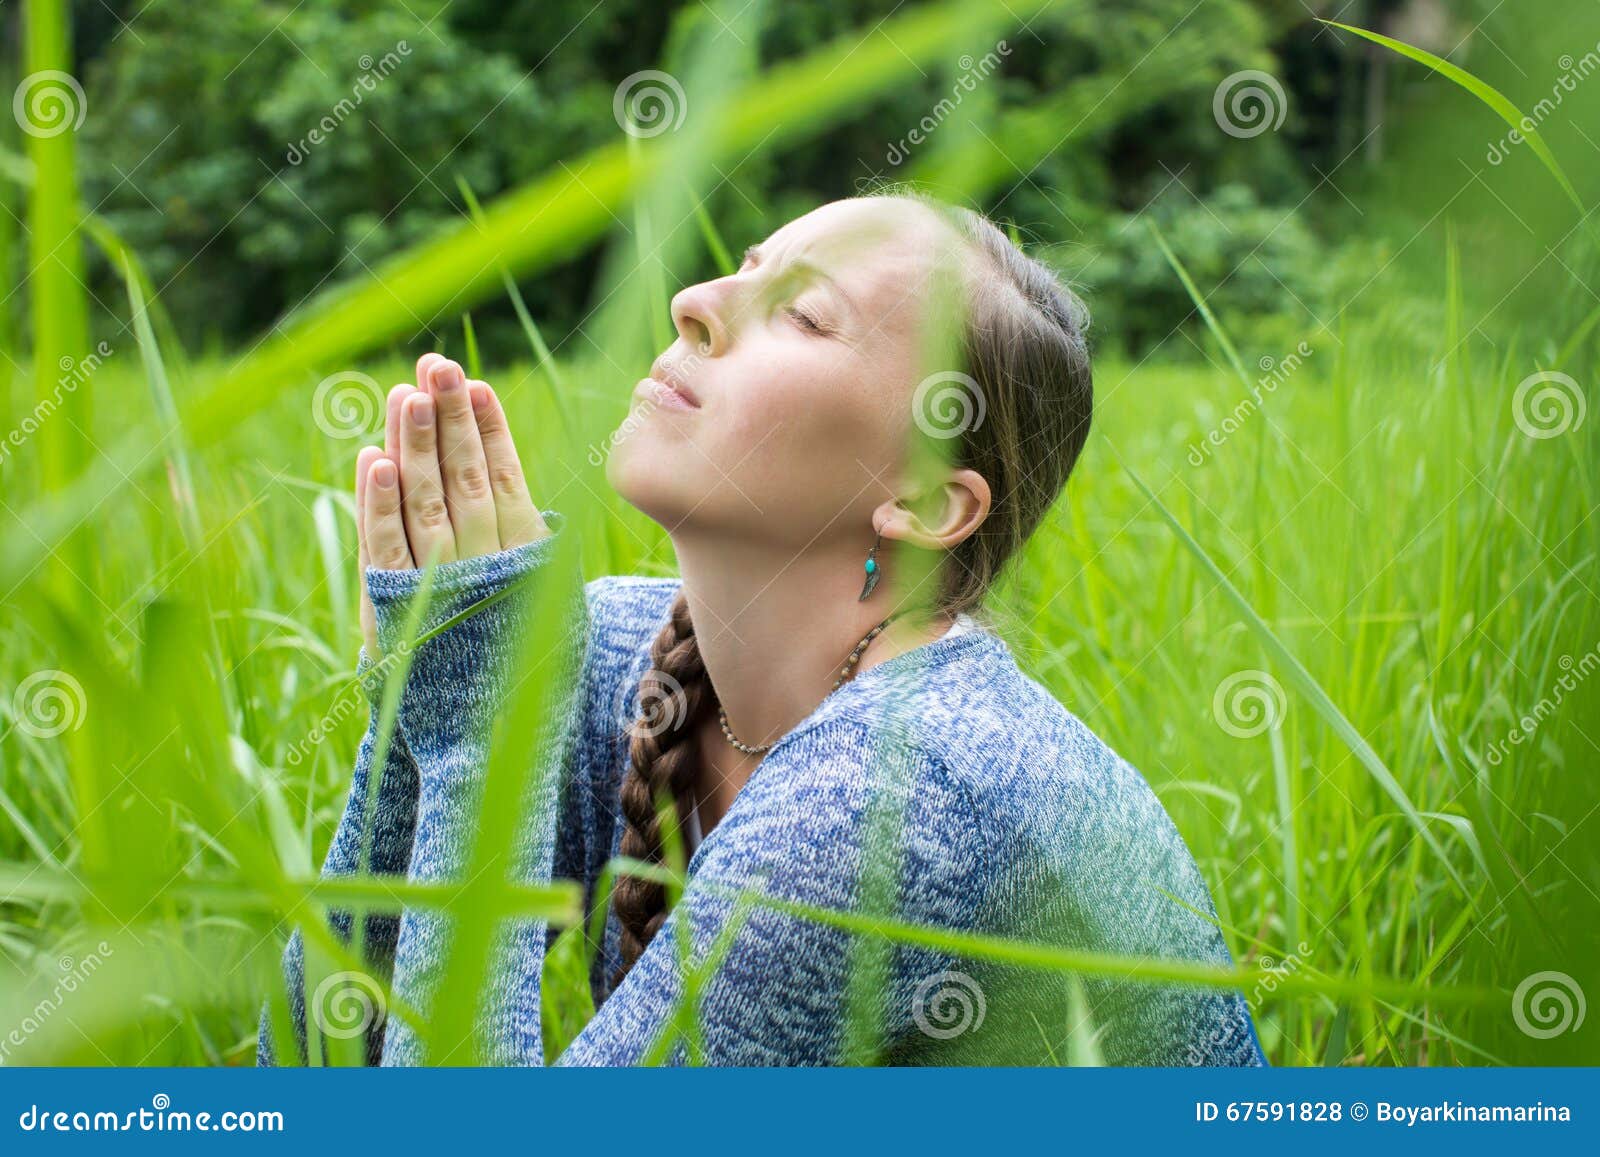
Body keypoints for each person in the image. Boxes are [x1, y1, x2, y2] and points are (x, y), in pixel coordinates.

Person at [258, 193, 1266, 1067]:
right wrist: (420, 707)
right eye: (741, 270)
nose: (692, 304)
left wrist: (485, 731)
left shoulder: (901, 796)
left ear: (922, 502)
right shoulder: (613, 653)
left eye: (803, 315)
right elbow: (311, 1063)